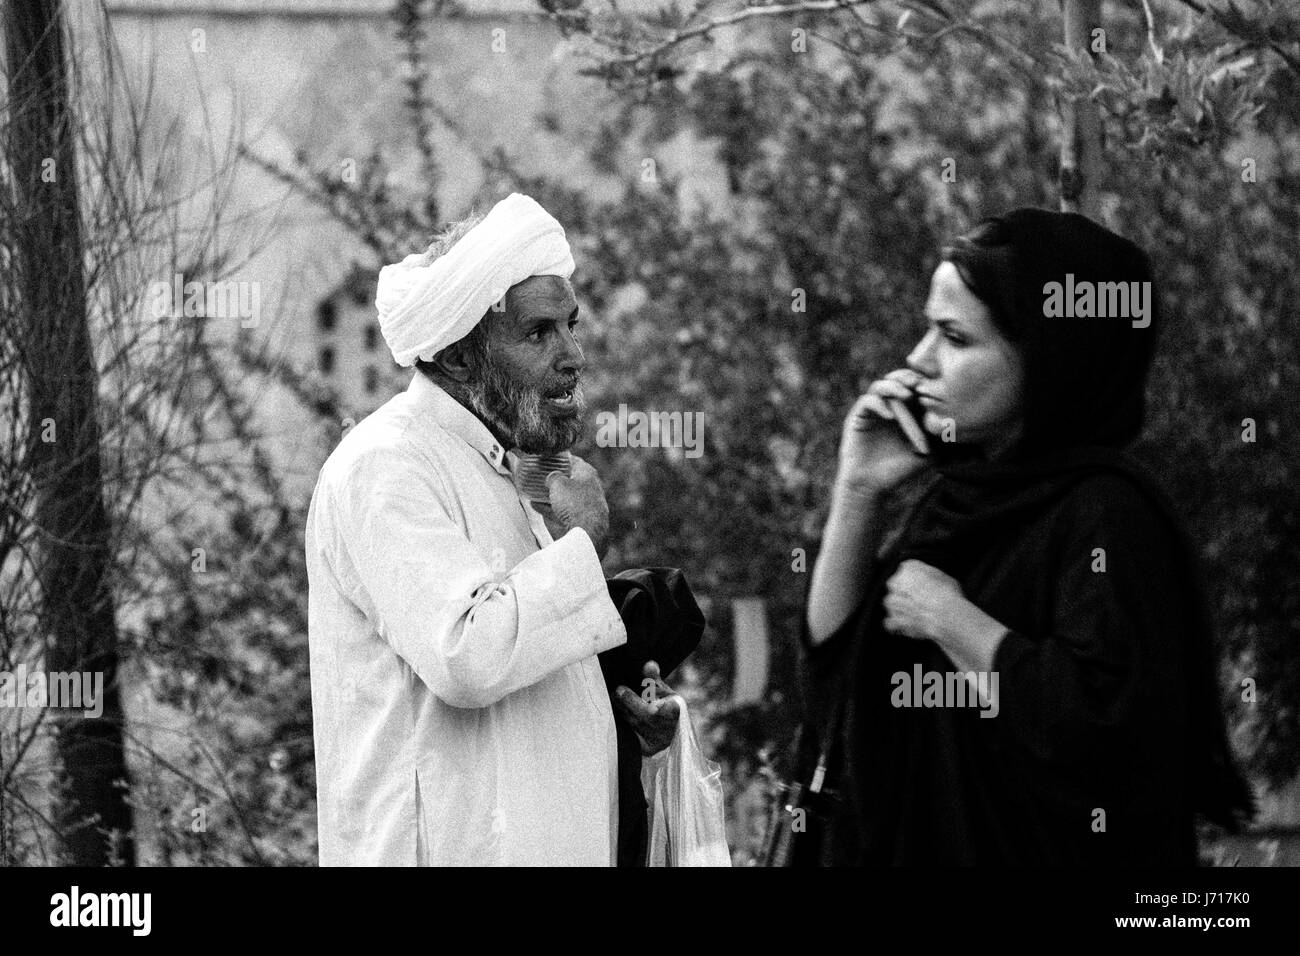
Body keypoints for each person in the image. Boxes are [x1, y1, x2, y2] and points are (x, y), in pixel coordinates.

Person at [800, 207, 1254, 865]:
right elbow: (835, 682)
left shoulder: (1106, 514)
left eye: (955, 338)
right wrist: (859, 489)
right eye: (929, 331)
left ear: (1047, 359)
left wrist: (953, 621)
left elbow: (1107, 731)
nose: (917, 359)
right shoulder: (959, 499)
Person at [306, 193, 683, 866]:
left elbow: (530, 687)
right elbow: (467, 656)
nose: (573, 357)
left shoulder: (521, 471)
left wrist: (629, 730)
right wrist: (582, 548)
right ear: (457, 358)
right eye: (539, 334)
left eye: (572, 326)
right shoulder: (385, 466)